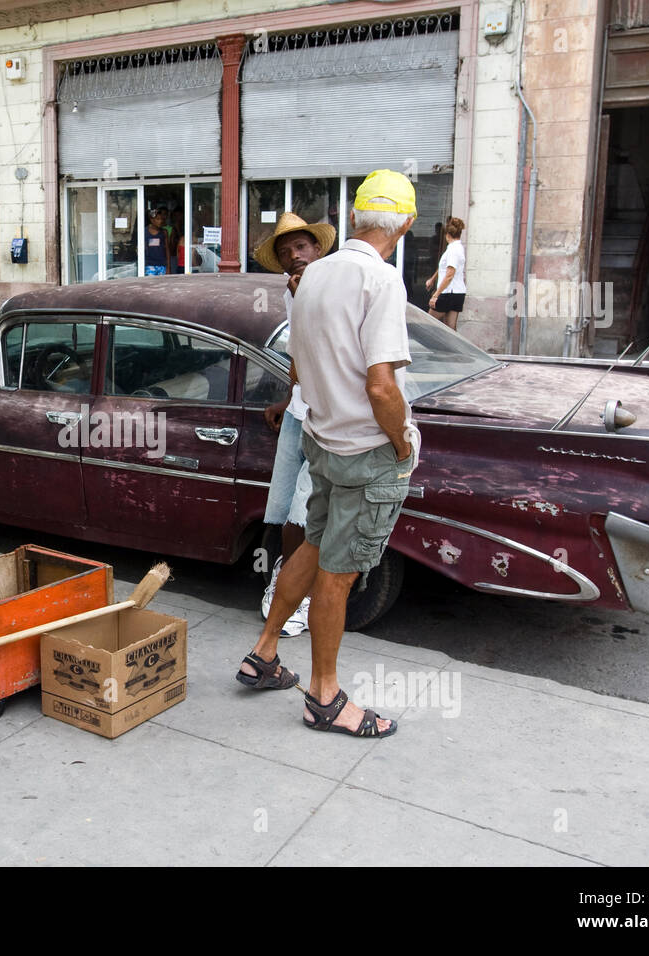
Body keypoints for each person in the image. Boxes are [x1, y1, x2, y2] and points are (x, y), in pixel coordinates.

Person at [237, 169, 419, 740]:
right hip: (366, 450)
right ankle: (324, 697)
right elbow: (382, 386)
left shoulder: (310, 278)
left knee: (315, 548)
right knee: (336, 577)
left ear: (355, 217)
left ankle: (265, 652)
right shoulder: (382, 280)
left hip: (323, 441)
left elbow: (301, 364)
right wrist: (402, 441)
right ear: (407, 224)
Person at [249, 211, 335, 637]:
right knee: (282, 507)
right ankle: (286, 580)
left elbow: (331, 348)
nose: (294, 256)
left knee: (302, 514)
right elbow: (299, 354)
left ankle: (298, 593)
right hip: (300, 412)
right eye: (285, 252)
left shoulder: (332, 287)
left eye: (301, 247)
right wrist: (288, 397)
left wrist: (305, 301)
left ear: (317, 249)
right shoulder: (292, 291)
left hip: (326, 418)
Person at [426, 217, 466, 330]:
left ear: (447, 235)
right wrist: (433, 279)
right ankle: (454, 343)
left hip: (448, 292)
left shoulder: (453, 250)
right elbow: (445, 267)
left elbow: (449, 275)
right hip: (457, 292)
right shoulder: (458, 247)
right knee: (450, 328)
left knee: (427, 323)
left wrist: (435, 295)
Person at [144, 208, 172, 276]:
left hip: (162, 265)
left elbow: (167, 250)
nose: (160, 221)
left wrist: (168, 267)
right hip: (149, 265)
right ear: (152, 220)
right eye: (158, 219)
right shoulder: (145, 231)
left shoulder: (164, 232)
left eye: (162, 219)